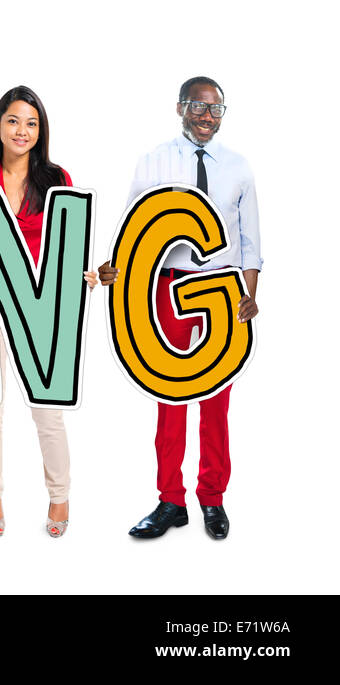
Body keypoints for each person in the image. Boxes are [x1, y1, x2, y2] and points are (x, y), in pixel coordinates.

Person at [100, 76, 261, 541]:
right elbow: (132, 228)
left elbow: (251, 241)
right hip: (165, 290)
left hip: (222, 295)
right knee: (169, 398)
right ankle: (171, 500)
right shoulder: (154, 161)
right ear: (180, 108)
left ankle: (212, 498)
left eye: (216, 109)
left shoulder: (239, 168)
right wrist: (112, 269)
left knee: (215, 404)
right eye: (199, 107)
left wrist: (251, 293)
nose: (208, 116)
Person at [0, 85, 97, 538]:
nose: (22, 130)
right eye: (13, 120)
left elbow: (70, 240)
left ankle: (60, 494)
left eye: (31, 123)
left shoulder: (56, 177)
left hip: (39, 303)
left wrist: (82, 274)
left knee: (47, 407)